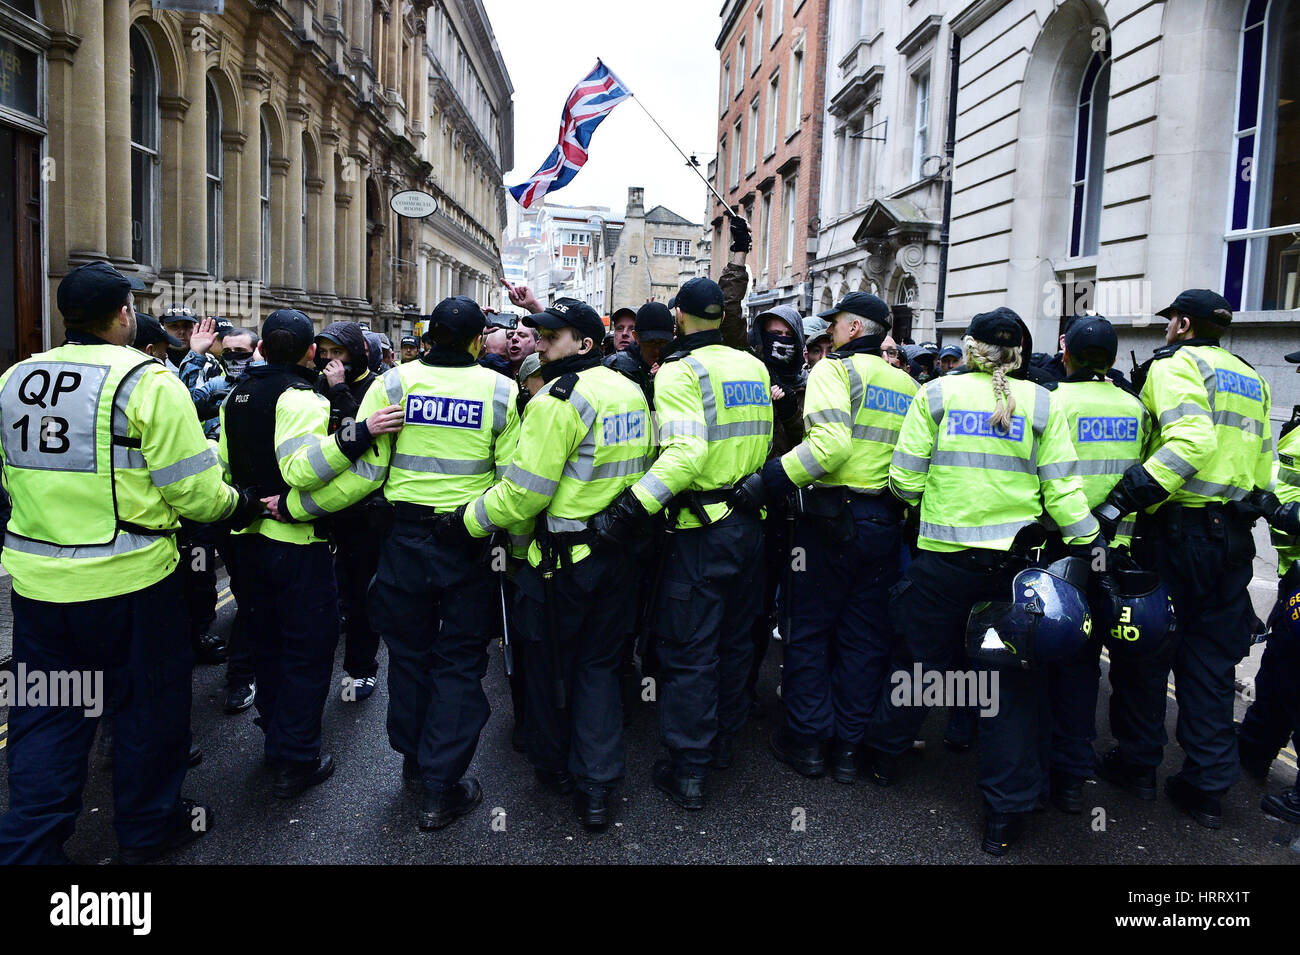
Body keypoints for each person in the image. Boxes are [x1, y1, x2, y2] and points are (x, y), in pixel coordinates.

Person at [0, 262, 264, 864]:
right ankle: (148, 829)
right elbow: (195, 492)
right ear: (124, 313)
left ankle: (30, 849)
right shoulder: (148, 381)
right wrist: (239, 503)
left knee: (48, 716)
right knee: (147, 710)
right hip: (132, 584)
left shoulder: (15, 377)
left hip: (40, 589)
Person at [875, 306, 1102, 856]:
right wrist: (1089, 544)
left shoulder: (935, 395)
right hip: (1010, 575)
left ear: (971, 347)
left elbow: (904, 479)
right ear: (1019, 353)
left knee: (921, 664)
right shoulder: (1043, 403)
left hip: (940, 564)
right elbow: (1064, 494)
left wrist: (928, 502)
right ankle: (1004, 815)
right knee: (1008, 689)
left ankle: (884, 757)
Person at [458, 297, 654, 831]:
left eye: (553, 334)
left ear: (585, 344)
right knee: (599, 670)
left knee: (547, 670)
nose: (540, 340)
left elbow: (523, 498)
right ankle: (597, 786)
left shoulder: (555, 400)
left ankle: (554, 768)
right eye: (540, 332)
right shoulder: (630, 391)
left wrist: (467, 520)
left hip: (560, 566)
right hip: (618, 556)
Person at [1091, 289, 1273, 829]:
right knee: (1212, 664)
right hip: (1232, 540)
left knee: (1144, 652)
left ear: (1184, 323)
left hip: (1173, 536)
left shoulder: (1177, 364)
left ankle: (1138, 764)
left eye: (1170, 320)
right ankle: (1207, 788)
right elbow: (1262, 465)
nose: (1167, 328)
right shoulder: (1250, 376)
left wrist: (1125, 496)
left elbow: (1189, 442)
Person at [597, 276, 773, 809]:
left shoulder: (679, 370)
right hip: (749, 523)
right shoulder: (753, 366)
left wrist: (630, 508)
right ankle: (721, 746)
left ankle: (689, 769)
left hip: (700, 531)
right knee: (736, 642)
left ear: (679, 316)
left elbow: (684, 456)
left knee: (691, 649)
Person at [220, 309, 404, 799]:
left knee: (266, 645)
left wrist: (243, 504)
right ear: (308, 353)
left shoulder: (236, 396)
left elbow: (221, 464)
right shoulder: (297, 396)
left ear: (261, 347)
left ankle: (276, 739)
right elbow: (302, 469)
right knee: (306, 651)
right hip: (294, 546)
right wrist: (357, 434)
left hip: (245, 544)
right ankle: (295, 758)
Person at [358, 295, 520, 831]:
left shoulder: (394, 383)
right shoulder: (502, 390)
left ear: (429, 338)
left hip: (403, 538)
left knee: (408, 655)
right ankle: (439, 785)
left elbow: (368, 465)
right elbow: (511, 476)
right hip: (465, 541)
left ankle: (412, 761)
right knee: (459, 659)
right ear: (478, 340)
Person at [761, 291, 917, 783]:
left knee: (808, 631)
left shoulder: (835, 370)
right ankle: (849, 750)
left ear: (853, 330)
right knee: (864, 638)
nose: (827, 332)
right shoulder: (907, 384)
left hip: (827, 521)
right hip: (882, 523)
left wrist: (769, 480)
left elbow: (828, 448)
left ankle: (808, 744)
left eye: (835, 325)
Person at [1022, 315, 1153, 819]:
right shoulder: (1136, 408)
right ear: (1114, 361)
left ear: (1067, 355)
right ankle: (1098, 772)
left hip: (1062, 549)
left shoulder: (1052, 401)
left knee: (1063, 665)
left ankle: (1061, 774)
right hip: (1117, 552)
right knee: (1106, 657)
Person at [313, 321, 389, 701]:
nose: (329, 361)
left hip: (362, 510)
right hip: (322, 505)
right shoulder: (314, 386)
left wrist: (340, 391)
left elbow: (363, 437)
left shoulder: (377, 386)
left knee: (361, 596)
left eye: (337, 353)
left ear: (356, 352)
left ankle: (360, 670)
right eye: (324, 353)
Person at [1242, 349, 1300, 821]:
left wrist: (1281, 510)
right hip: (1294, 575)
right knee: (1281, 669)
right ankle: (1255, 751)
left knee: (1293, 673)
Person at [604, 301, 674, 405]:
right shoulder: (615, 368)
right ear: (636, 337)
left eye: (662, 343)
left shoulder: (678, 368)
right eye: (650, 343)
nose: (656, 350)